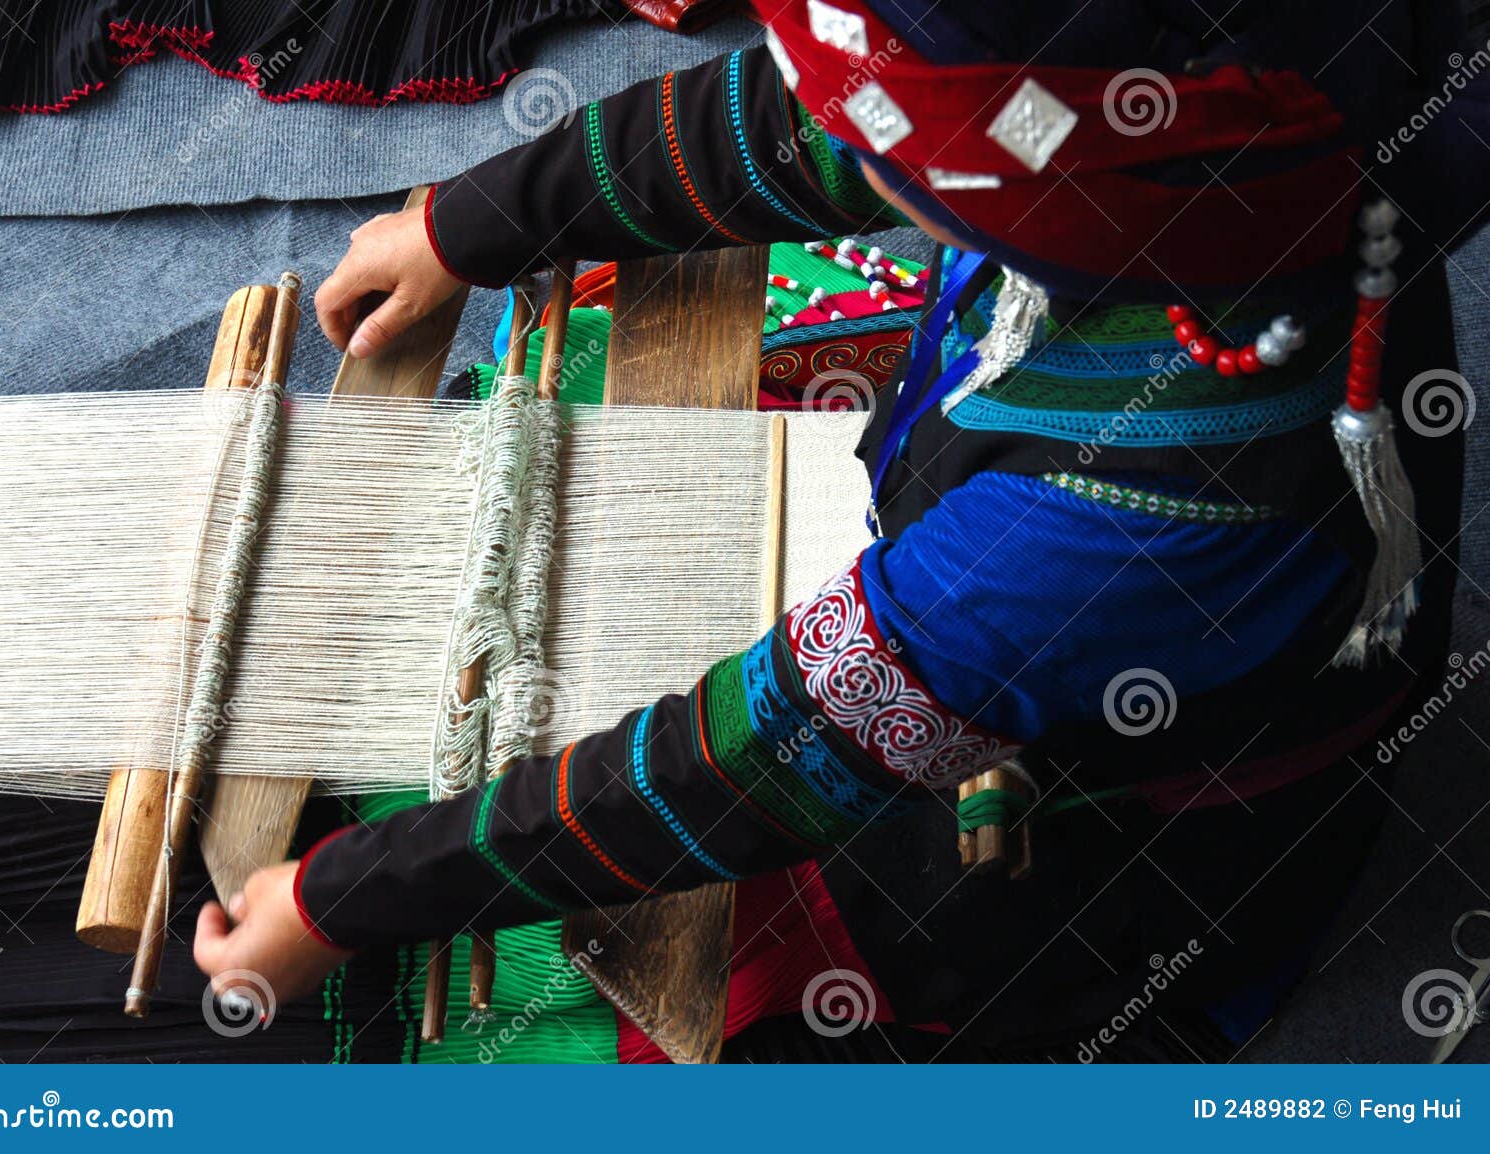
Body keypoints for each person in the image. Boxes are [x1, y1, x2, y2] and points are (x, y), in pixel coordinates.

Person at [194, 0, 1482, 1059]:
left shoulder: (1124, 525)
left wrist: (346, 901)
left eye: (898, 160)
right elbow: (807, 118)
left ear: (1049, 198)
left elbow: (753, 758)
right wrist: (467, 223)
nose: (848, 151)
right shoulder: (1188, 139)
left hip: (1119, 829)